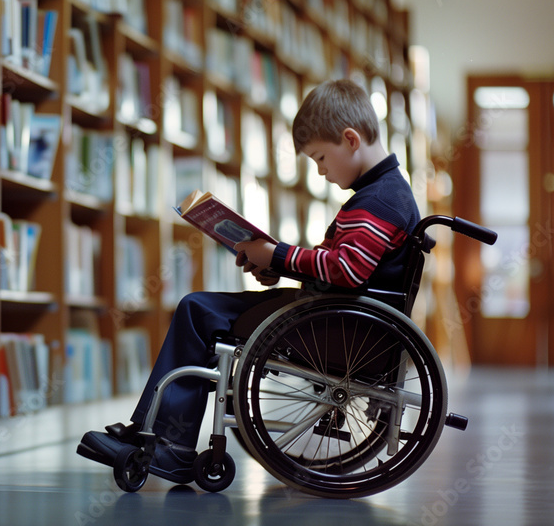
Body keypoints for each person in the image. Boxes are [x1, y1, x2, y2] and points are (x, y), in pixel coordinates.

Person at [76, 79, 421, 484]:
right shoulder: (381, 194)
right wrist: (278, 264)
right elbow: (341, 266)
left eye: (321, 158)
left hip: (338, 327)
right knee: (205, 309)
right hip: (336, 319)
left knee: (198, 310)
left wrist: (274, 254)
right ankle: (163, 436)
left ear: (350, 139)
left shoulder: (379, 201)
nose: (322, 171)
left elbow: (347, 269)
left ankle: (171, 444)